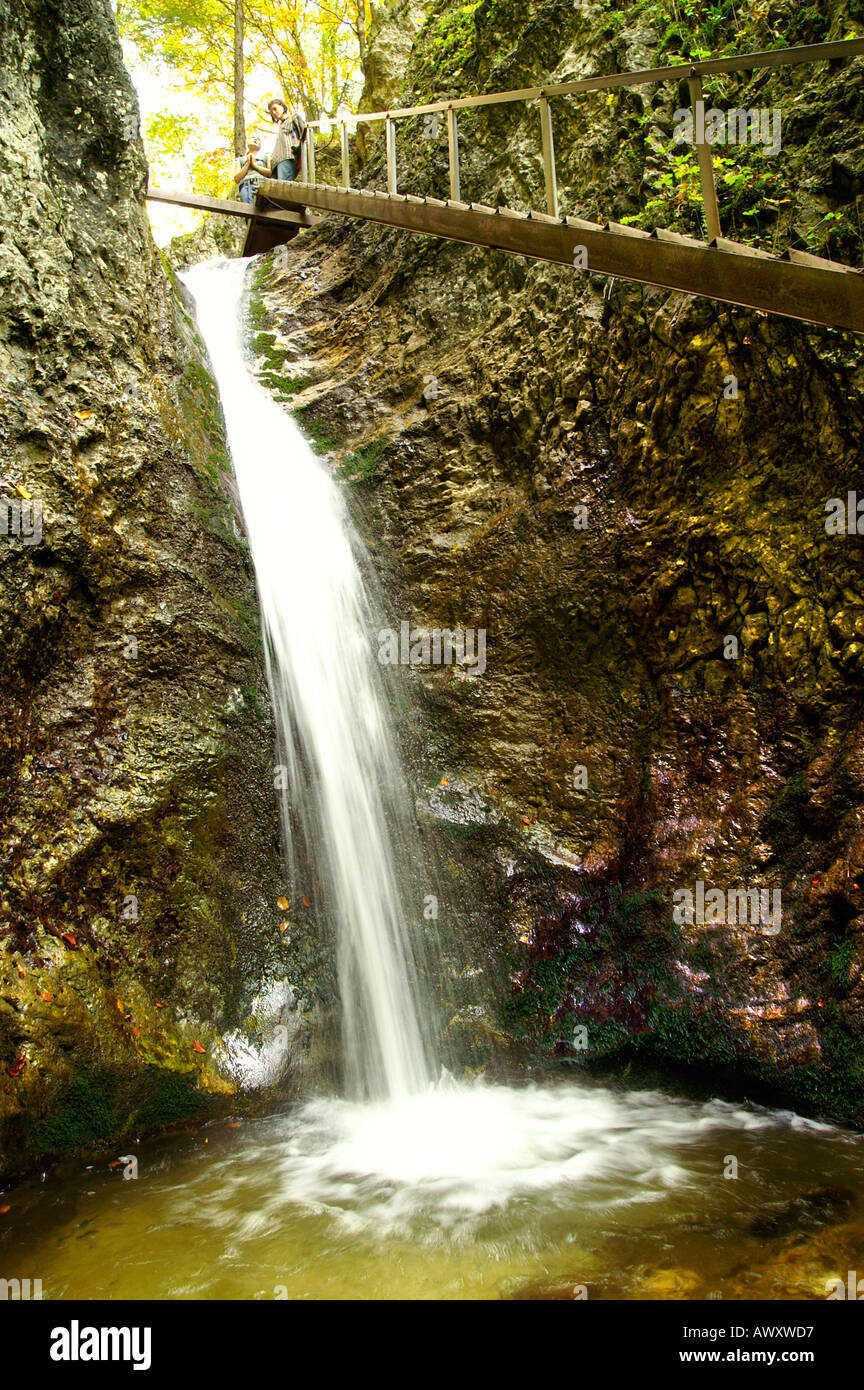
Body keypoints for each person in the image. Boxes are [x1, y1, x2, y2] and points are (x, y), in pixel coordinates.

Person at [267, 98, 306, 182]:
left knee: (285, 186)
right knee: (279, 190)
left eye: (275, 109)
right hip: (277, 163)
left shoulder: (293, 118)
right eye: (271, 112)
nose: (274, 113)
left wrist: (298, 148)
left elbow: (304, 135)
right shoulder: (281, 125)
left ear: (282, 106)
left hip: (287, 157)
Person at [233, 135, 270, 205]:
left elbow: (269, 173)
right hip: (246, 185)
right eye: (253, 137)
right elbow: (236, 178)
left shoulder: (265, 157)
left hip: (262, 184)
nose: (255, 139)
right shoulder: (240, 160)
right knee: (247, 210)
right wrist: (247, 164)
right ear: (247, 141)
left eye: (258, 139)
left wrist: (255, 165)